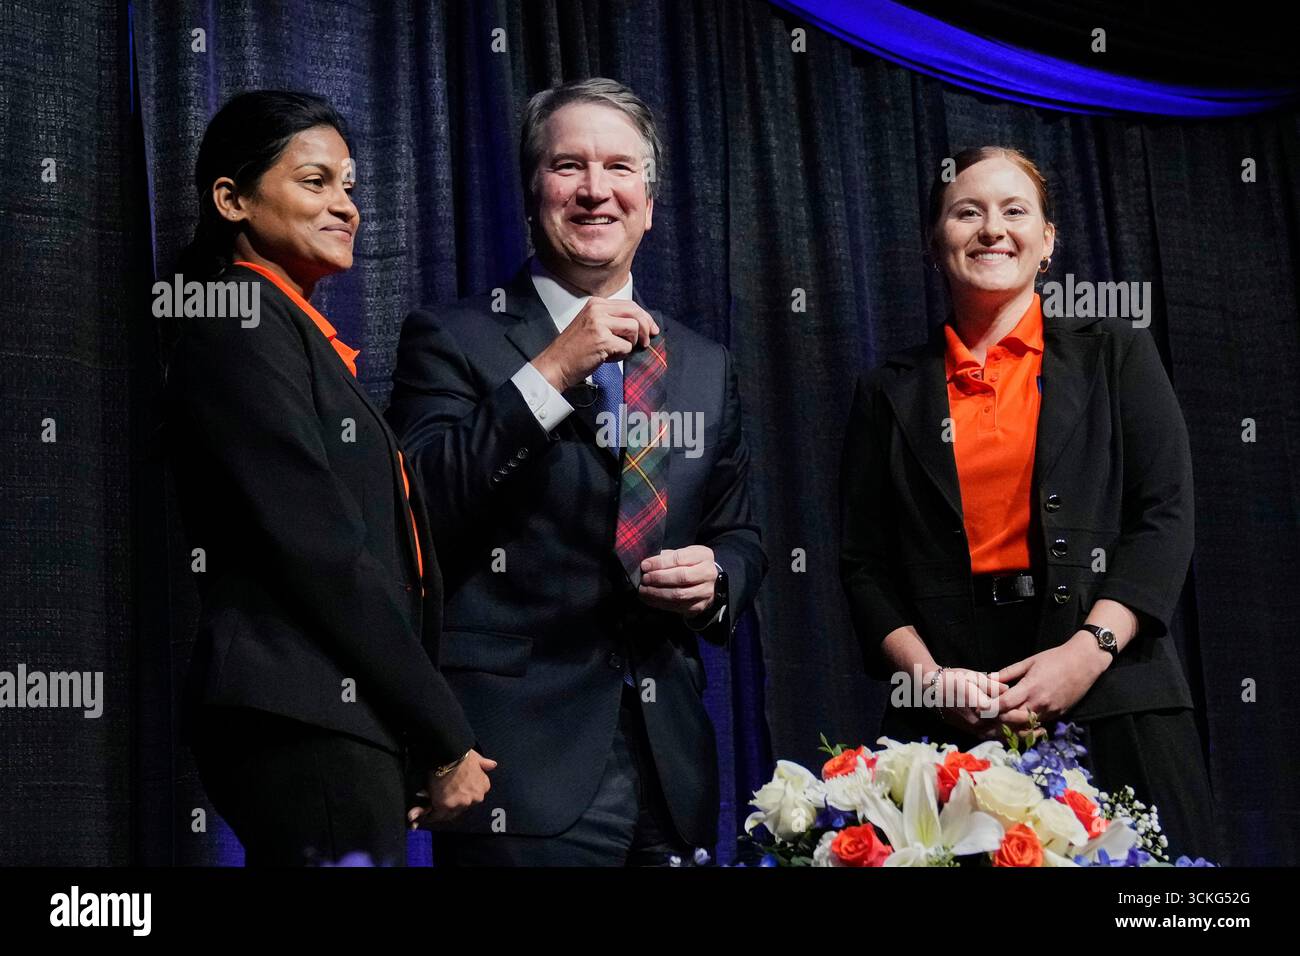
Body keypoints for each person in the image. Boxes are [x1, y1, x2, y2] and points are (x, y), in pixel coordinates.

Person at [386, 77, 766, 866]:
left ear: (651, 203)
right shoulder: (452, 335)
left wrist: (719, 577)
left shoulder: (703, 363)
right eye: (569, 166)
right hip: (517, 768)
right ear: (534, 192)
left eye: (620, 168)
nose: (596, 190)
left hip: (672, 767)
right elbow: (418, 502)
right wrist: (552, 371)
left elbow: (740, 531)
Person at [839, 146, 1216, 860]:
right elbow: (864, 566)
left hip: (1116, 692)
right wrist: (928, 680)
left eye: (1015, 211)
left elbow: (1164, 519)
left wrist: (1088, 649)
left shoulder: (1117, 353)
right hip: (955, 717)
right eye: (966, 212)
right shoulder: (886, 392)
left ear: (1047, 242)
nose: (992, 229)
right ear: (933, 242)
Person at [163, 90, 492, 866]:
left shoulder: (283, 325)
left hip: (340, 718)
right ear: (232, 200)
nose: (346, 206)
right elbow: (320, 549)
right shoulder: (233, 313)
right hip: (302, 713)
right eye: (316, 182)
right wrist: (444, 735)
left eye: (349, 186)